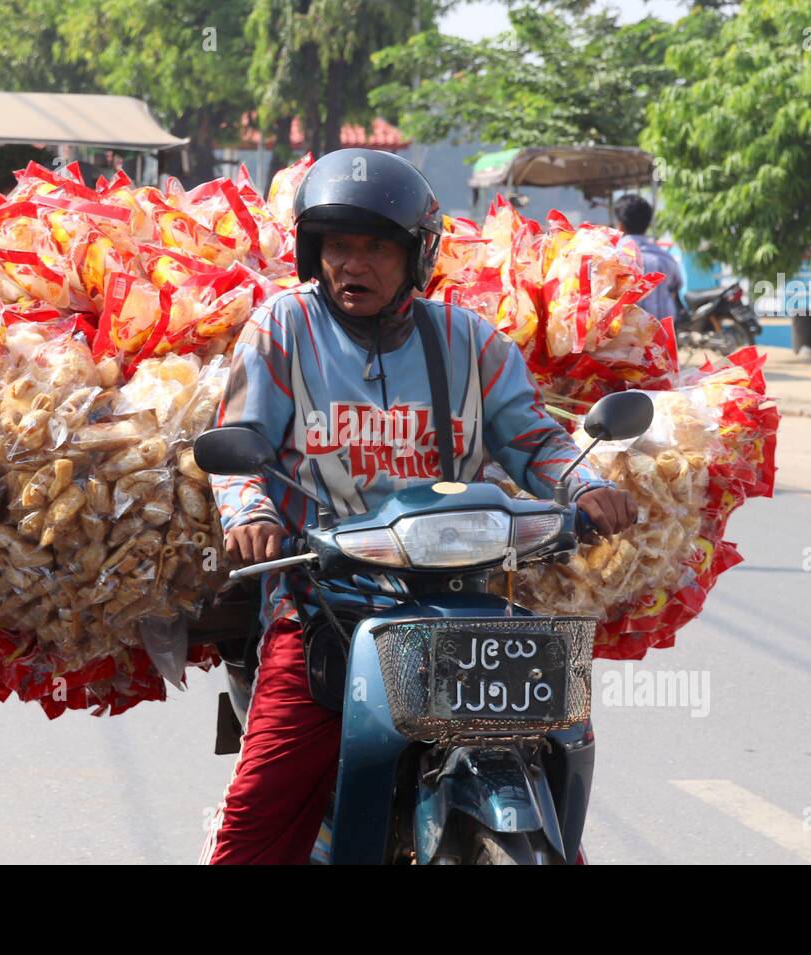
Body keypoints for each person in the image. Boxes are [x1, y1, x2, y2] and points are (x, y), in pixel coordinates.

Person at [199, 148, 637, 865]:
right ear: (316, 252)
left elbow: (536, 440)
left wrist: (586, 486)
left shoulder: (472, 342)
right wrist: (250, 513)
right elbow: (242, 443)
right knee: (257, 817)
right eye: (339, 244)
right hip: (325, 605)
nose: (353, 263)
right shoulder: (281, 329)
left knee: (561, 748)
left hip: (460, 599)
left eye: (375, 246)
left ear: (416, 255)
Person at [613, 193, 683, 323]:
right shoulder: (666, 258)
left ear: (620, 225)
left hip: (623, 339)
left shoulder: (611, 257)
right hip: (663, 337)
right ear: (647, 225)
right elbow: (675, 288)